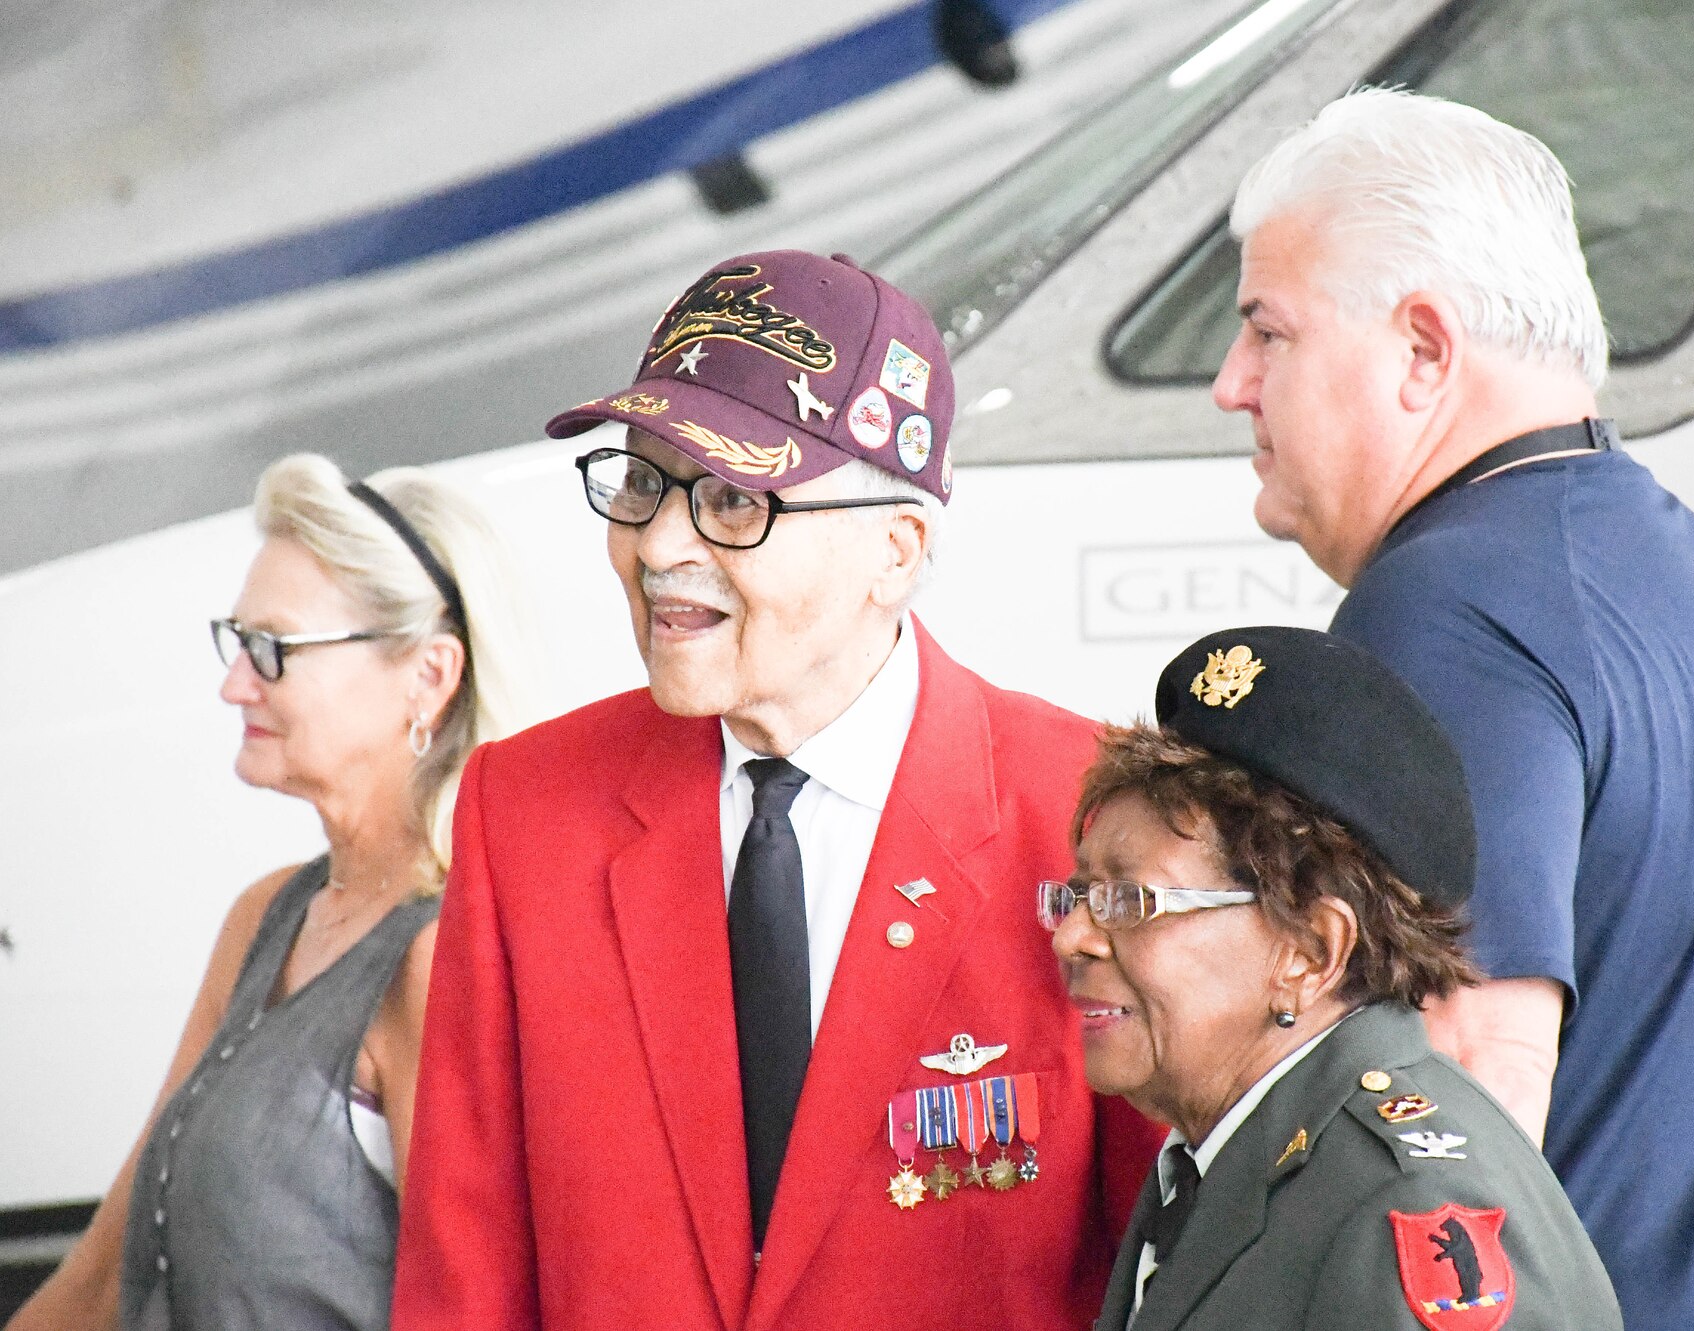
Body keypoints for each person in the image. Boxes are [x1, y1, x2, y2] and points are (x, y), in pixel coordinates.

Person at [1210, 86, 1694, 1329]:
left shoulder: (1442, 610)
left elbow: (1463, 1089)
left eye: (1267, 330)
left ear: (1421, 348)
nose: (1229, 383)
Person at [391, 250, 1161, 1331]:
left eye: (731, 500)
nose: (658, 545)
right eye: (644, 480)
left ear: (893, 551)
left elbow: (1170, 1258)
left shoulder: (1089, 812)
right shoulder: (524, 810)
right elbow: (462, 1271)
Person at [6, 455, 535, 1331]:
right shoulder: (267, 916)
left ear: (429, 676)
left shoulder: (439, 955)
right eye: (237, 639)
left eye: (273, 649)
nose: (233, 682)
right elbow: (104, 1272)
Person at [1051, 625, 1621, 1331]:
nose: (1072, 935)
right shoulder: (1228, 1156)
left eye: (1131, 901)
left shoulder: (1406, 1202)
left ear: (1312, 952)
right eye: (1077, 894)